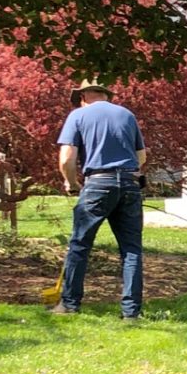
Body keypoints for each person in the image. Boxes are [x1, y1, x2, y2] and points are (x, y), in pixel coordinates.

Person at [53, 79, 148, 320]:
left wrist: (72, 183)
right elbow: (141, 156)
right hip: (129, 183)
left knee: (80, 245)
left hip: (97, 182)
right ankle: (131, 313)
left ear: (83, 96)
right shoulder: (127, 115)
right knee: (131, 250)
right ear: (107, 95)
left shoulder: (78, 116)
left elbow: (66, 159)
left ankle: (69, 305)